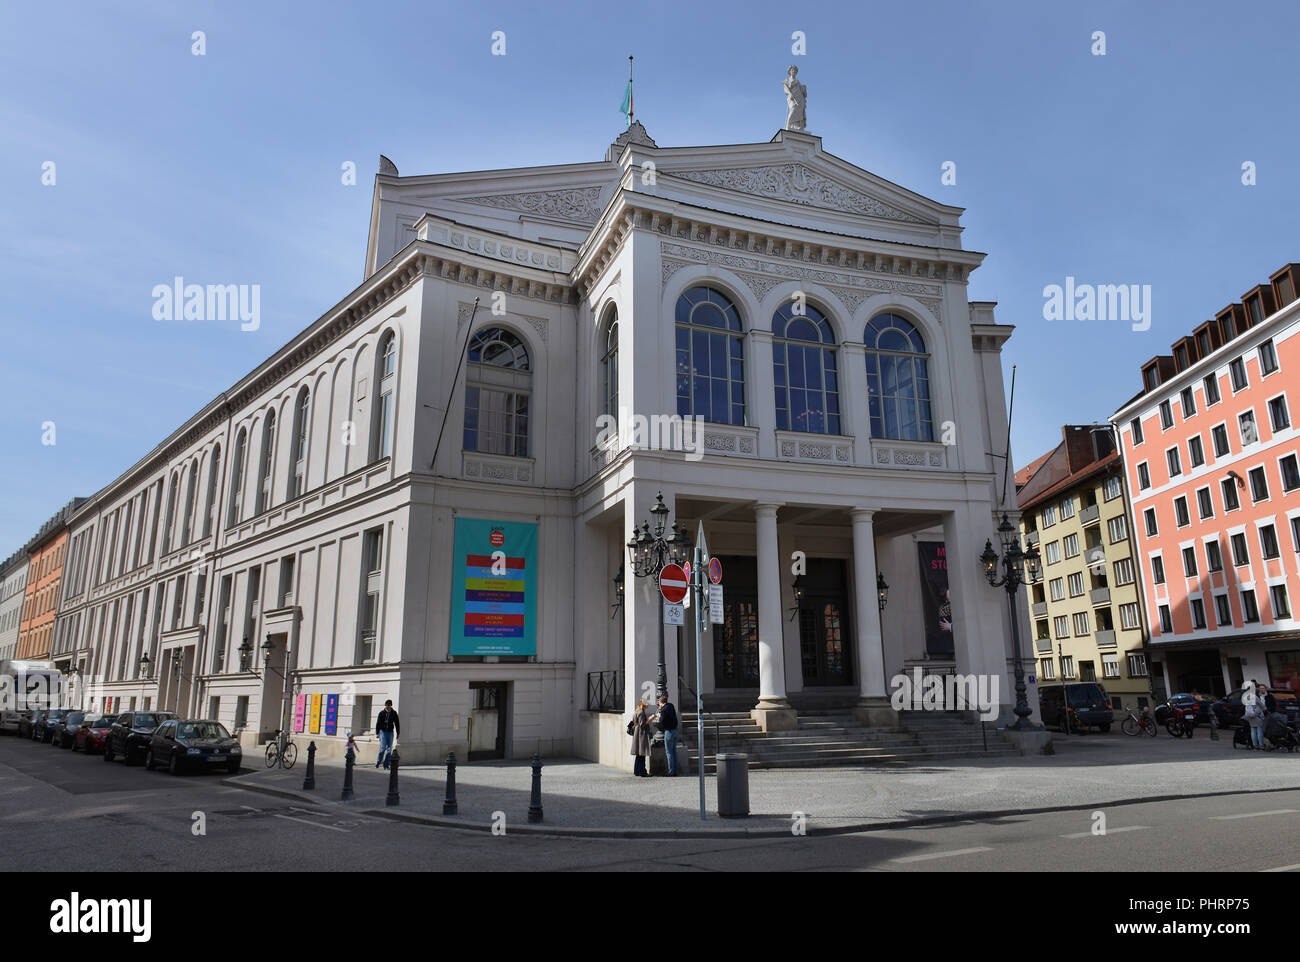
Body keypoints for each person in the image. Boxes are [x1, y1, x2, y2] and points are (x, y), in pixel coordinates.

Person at [652, 694, 679, 777]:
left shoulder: (663, 710)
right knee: (674, 752)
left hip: (669, 732)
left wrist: (660, 714)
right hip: (675, 731)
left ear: (660, 702)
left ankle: (671, 771)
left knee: (669, 753)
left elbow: (662, 721)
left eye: (659, 703)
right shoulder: (671, 706)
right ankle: (675, 770)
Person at [630, 697, 652, 777]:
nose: (647, 705)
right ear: (643, 704)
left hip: (637, 733)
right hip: (641, 734)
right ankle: (643, 772)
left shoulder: (636, 711)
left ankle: (637, 771)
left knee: (639, 754)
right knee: (642, 753)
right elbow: (642, 724)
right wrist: (650, 719)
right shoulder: (641, 712)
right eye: (646, 703)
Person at [375, 699, 399, 769]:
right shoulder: (381, 713)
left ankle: (386, 764)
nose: (388, 707)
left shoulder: (394, 713)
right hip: (383, 732)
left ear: (391, 706)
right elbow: (378, 723)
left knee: (389, 749)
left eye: (389, 706)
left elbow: (397, 723)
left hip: (390, 732)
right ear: (385, 706)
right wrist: (377, 733)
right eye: (387, 705)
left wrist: (398, 732)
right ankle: (379, 761)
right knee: (382, 748)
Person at [1244, 682, 1266, 750]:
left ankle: (1255, 745)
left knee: (1253, 730)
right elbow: (1262, 706)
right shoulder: (1255, 697)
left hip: (1250, 715)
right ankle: (1261, 745)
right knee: (1259, 731)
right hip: (1257, 715)